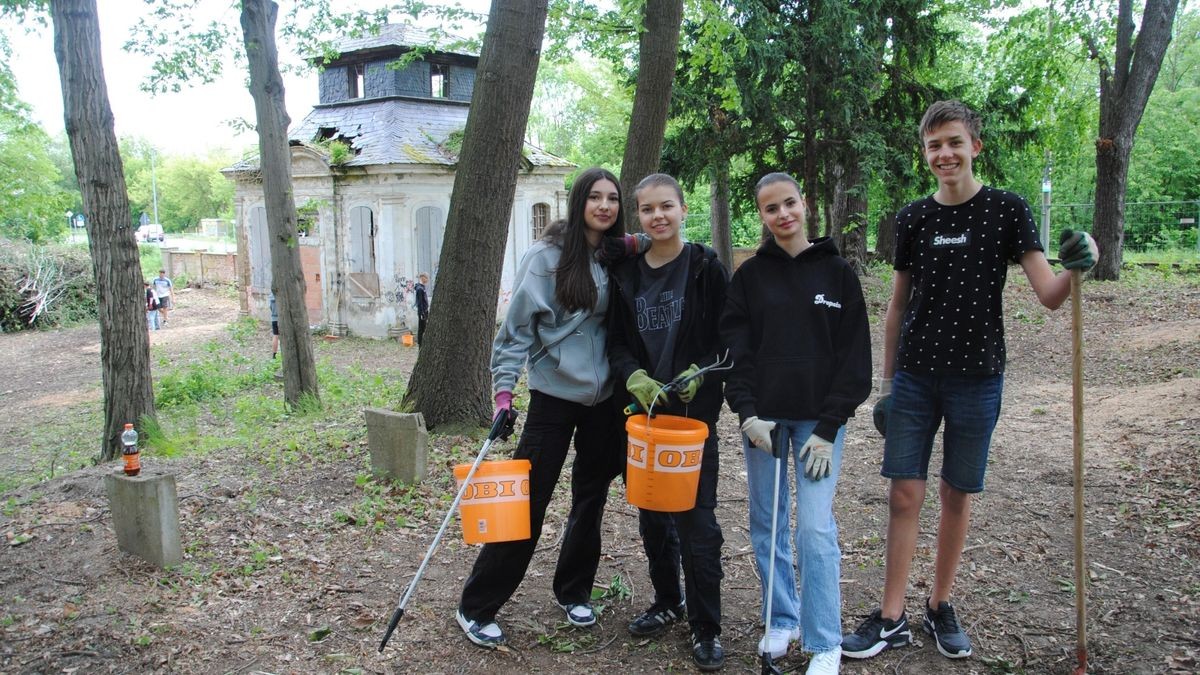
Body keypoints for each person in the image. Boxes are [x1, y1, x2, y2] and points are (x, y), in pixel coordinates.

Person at [841, 100, 1099, 661]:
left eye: (954, 142)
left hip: (978, 378)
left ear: (975, 146)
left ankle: (939, 605)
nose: (944, 154)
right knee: (903, 493)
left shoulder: (1007, 211)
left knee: (957, 493)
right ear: (924, 152)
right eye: (934, 145)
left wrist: (1079, 267)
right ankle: (890, 617)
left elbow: (1050, 296)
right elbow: (896, 308)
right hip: (913, 377)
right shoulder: (911, 218)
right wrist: (886, 386)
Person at [456, 167, 637, 650]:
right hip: (554, 399)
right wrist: (503, 395)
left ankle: (573, 590)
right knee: (526, 501)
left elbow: (655, 243)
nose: (604, 205)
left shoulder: (617, 256)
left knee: (591, 498)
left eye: (613, 198)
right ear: (577, 202)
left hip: (605, 401)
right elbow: (514, 334)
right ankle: (476, 605)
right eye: (594, 197)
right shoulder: (545, 258)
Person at [720, 172, 871, 675]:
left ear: (804, 204)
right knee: (767, 523)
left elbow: (855, 363)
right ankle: (781, 618)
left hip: (818, 425)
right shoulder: (749, 278)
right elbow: (735, 352)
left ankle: (824, 638)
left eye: (789, 203)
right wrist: (747, 413)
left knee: (813, 528)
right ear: (761, 216)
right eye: (770, 208)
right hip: (765, 421)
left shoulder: (838, 273)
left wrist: (829, 427)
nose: (782, 214)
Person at [607, 173, 729, 671]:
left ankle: (706, 627)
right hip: (644, 417)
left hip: (691, 421)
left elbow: (726, 340)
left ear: (682, 208)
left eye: (666, 207)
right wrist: (634, 375)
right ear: (638, 217)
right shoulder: (628, 273)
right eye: (648, 210)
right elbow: (615, 342)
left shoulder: (705, 268)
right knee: (653, 512)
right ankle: (667, 601)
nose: (658, 216)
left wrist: (701, 374)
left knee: (697, 521)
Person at [414, 273, 430, 346]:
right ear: (422, 278)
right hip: (422, 312)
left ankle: (423, 343)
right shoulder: (419, 289)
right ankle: (420, 344)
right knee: (421, 328)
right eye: (426, 278)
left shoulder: (422, 287)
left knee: (424, 328)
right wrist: (422, 314)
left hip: (425, 311)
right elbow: (420, 303)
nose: (427, 280)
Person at [269, 292, 279, 359]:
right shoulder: (281, 295)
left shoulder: (271, 296)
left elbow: (270, 307)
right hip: (282, 319)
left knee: (275, 336)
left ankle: (274, 355)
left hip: (274, 318)